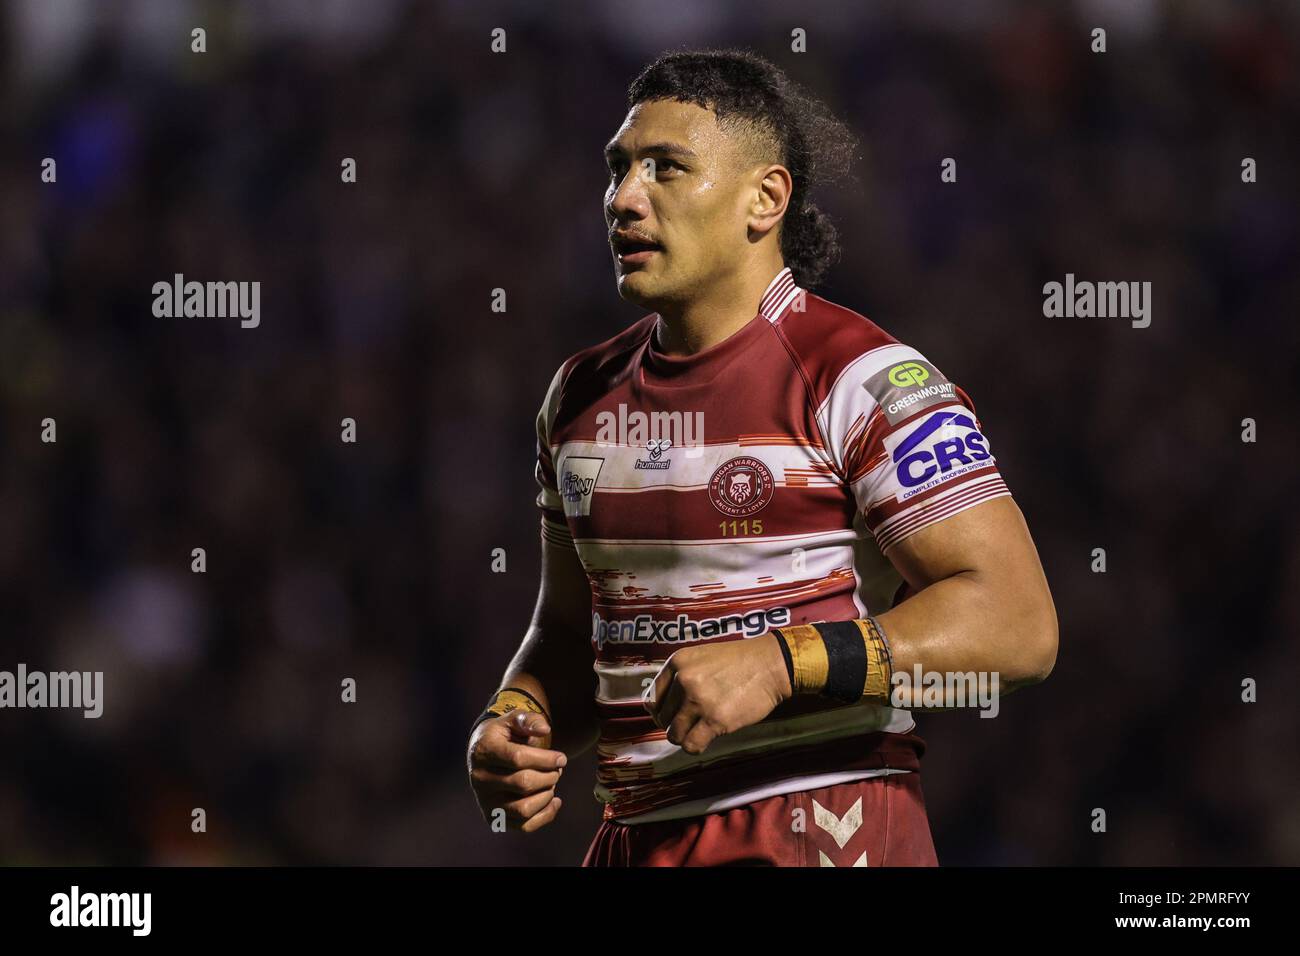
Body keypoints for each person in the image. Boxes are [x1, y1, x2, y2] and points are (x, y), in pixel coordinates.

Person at [467, 48, 1057, 867]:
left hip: (823, 823)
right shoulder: (578, 398)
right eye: (618, 169)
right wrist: (514, 718)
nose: (623, 199)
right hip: (634, 838)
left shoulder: (864, 379)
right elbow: (570, 631)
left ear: (764, 199)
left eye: (666, 168)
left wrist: (785, 662)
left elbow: (1018, 625)